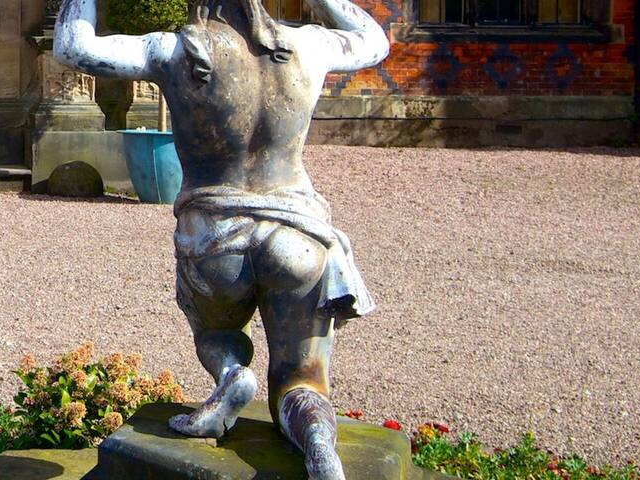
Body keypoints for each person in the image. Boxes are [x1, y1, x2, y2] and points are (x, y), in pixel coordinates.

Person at [52, 0, 389, 478]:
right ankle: (317, 443)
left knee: (216, 332)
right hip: (297, 236)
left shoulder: (173, 50)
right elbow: (376, 42)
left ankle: (231, 374)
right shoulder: (309, 45)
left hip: (214, 239)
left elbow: (74, 48)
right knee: (302, 380)